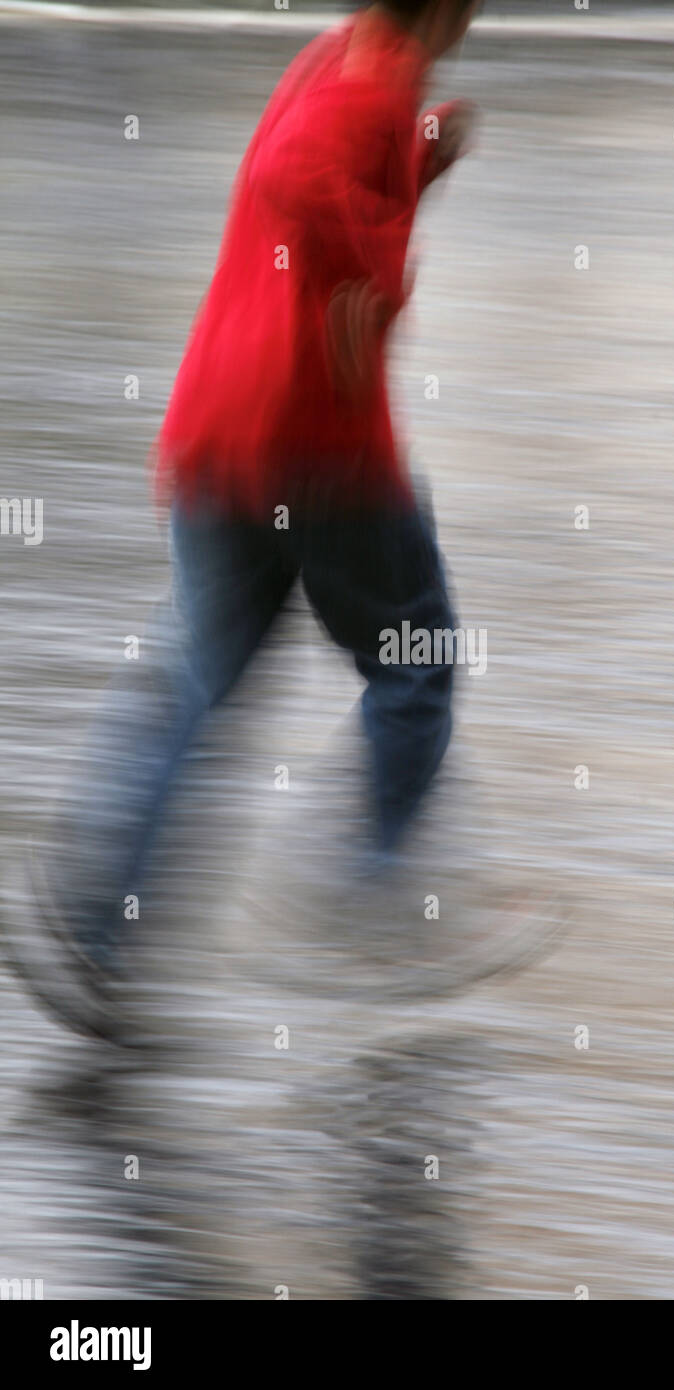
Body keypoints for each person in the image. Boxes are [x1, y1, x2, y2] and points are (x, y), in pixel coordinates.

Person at [2, 0, 482, 1042]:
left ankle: (94, 925)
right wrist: (371, 266)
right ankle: (362, 896)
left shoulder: (336, 58)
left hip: (217, 426)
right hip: (318, 447)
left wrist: (418, 159)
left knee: (197, 675)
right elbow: (297, 179)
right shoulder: (369, 86)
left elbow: (325, 171)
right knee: (417, 660)